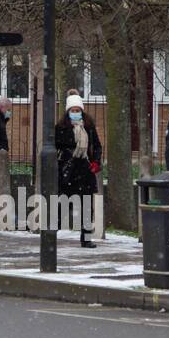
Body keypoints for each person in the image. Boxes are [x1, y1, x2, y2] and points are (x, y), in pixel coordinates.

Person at [54, 91, 102, 247]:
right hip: (68, 171)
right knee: (63, 203)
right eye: (72, 110)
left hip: (84, 169)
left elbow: (97, 146)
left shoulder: (88, 127)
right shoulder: (61, 127)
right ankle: (51, 234)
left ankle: (86, 238)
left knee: (87, 206)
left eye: (78, 110)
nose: (75, 113)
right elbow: (58, 146)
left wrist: (96, 161)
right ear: (68, 111)